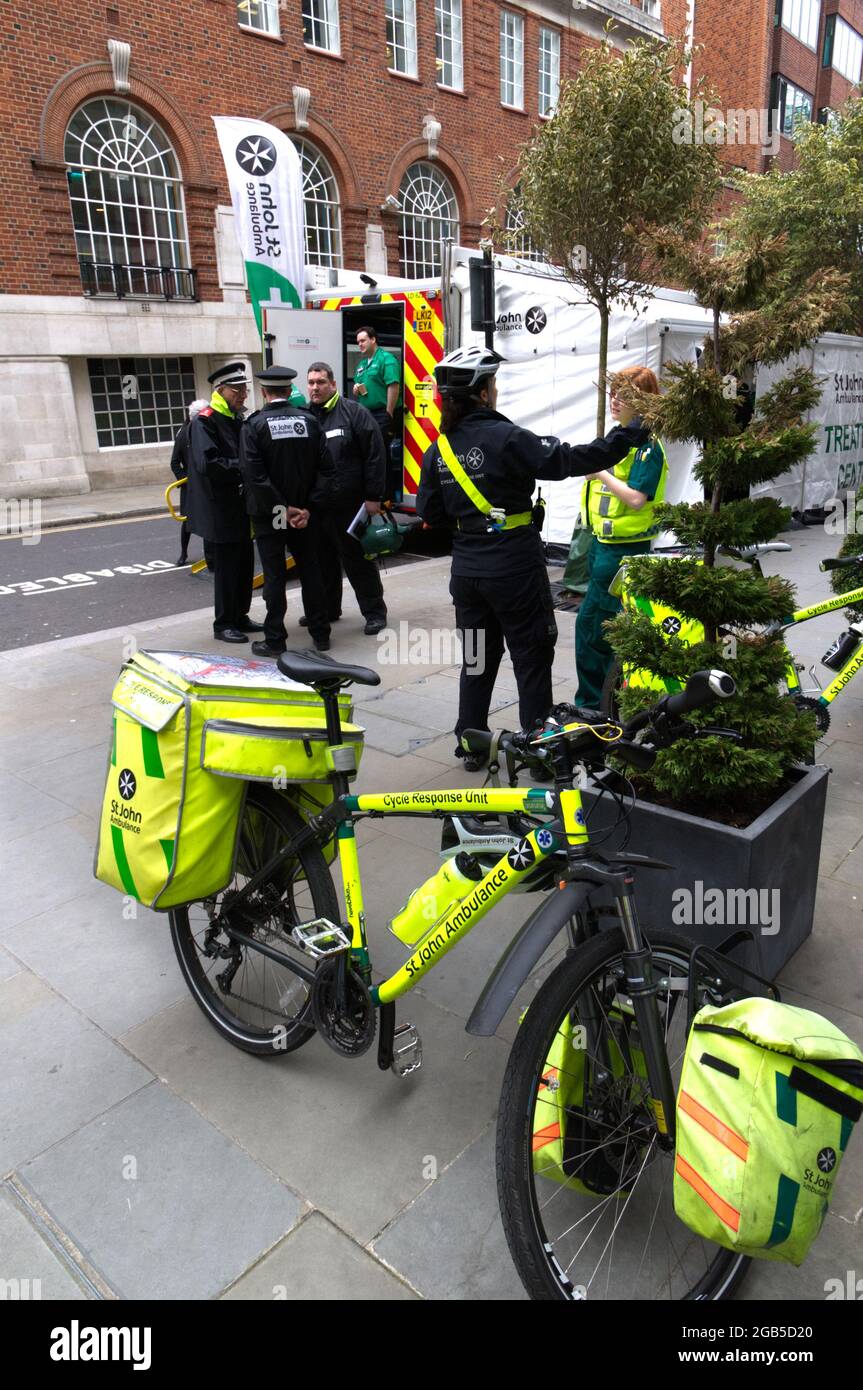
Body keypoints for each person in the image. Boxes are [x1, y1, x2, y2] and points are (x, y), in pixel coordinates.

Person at [416, 346, 651, 769]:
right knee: (531, 656)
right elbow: (570, 460)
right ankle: (542, 753)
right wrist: (629, 434)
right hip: (514, 568)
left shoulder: (439, 450)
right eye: (493, 384)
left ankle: (471, 744)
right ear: (484, 393)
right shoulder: (508, 438)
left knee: (476, 658)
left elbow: (429, 515)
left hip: (467, 572)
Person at [575, 366, 668, 709]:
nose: (615, 401)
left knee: (593, 630)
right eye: (613, 393)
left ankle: (594, 705)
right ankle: (610, 701)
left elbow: (635, 497)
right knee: (603, 629)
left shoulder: (648, 444)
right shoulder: (624, 438)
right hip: (603, 545)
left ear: (643, 401)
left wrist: (599, 473)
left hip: (622, 552)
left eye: (624, 395)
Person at [239, 365, 339, 656]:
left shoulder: (254, 426)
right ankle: (321, 635)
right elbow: (327, 471)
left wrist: (284, 509)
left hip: (273, 514)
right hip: (305, 515)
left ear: (264, 392)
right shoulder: (310, 421)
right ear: (289, 390)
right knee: (311, 570)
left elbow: (255, 477)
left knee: (274, 575)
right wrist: (305, 509)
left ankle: (275, 640)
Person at [305, 361, 388, 635]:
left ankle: (374, 612)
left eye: (320, 382)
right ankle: (330, 609)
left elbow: (375, 455)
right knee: (323, 561)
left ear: (333, 385)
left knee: (357, 560)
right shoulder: (304, 417)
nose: (315, 388)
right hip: (317, 506)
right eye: (311, 383)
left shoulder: (354, 413)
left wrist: (373, 497)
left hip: (349, 505)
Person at [186, 362, 264, 644]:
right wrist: (246, 467)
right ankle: (223, 623)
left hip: (241, 507)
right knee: (227, 570)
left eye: (245, 389)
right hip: (220, 509)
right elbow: (209, 463)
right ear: (221, 390)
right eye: (237, 390)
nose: (243, 395)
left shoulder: (235, 418)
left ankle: (240, 615)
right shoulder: (204, 421)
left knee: (244, 565)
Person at [170, 398, 213, 569]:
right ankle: (183, 553)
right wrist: (185, 481)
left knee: (208, 519)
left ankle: (211, 559)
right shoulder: (183, 434)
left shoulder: (206, 431)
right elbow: (174, 462)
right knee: (188, 521)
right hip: (190, 486)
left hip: (206, 483)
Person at [352, 325, 401, 443]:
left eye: (363, 341)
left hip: (382, 413)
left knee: (380, 448)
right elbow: (358, 384)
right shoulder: (362, 364)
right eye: (358, 342)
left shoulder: (387, 359)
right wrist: (355, 389)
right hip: (366, 413)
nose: (360, 344)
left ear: (373, 340)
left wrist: (388, 414)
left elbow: (393, 386)